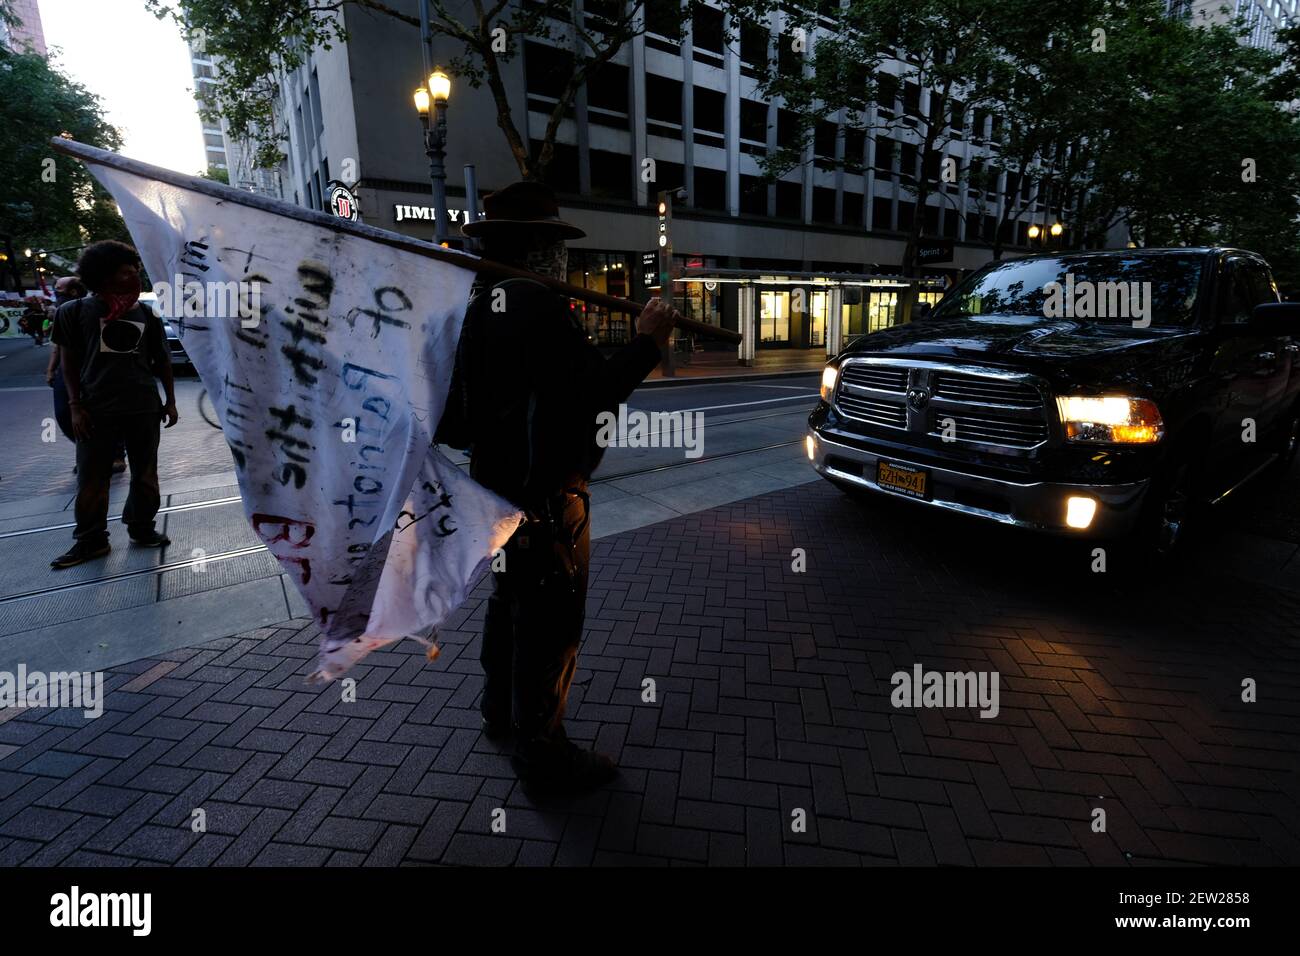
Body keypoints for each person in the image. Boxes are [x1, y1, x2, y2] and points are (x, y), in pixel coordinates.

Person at [438, 181, 678, 793]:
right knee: (548, 622)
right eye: (555, 246)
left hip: (491, 493)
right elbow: (590, 398)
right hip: (545, 500)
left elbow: (456, 419)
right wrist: (648, 341)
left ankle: (499, 710)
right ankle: (542, 756)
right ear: (541, 248)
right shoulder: (539, 307)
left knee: (506, 604)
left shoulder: (472, 310)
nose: (562, 261)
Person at [49, 241, 179, 569]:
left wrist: (170, 401)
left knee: (146, 474)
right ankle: (91, 541)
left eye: (135, 268)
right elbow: (69, 364)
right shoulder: (73, 312)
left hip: (143, 406)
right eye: (125, 271)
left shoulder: (144, 312)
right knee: (93, 478)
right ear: (103, 276)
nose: (134, 275)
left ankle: (142, 528)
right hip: (96, 410)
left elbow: (161, 360)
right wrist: (76, 406)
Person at [46, 276, 127, 473]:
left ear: (74, 291)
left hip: (96, 371)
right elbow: (60, 346)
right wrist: (51, 369)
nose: (55, 290)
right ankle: (90, 452)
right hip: (68, 371)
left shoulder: (93, 308)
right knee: (66, 414)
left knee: (105, 414)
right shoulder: (64, 311)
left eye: (59, 287)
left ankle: (114, 453)